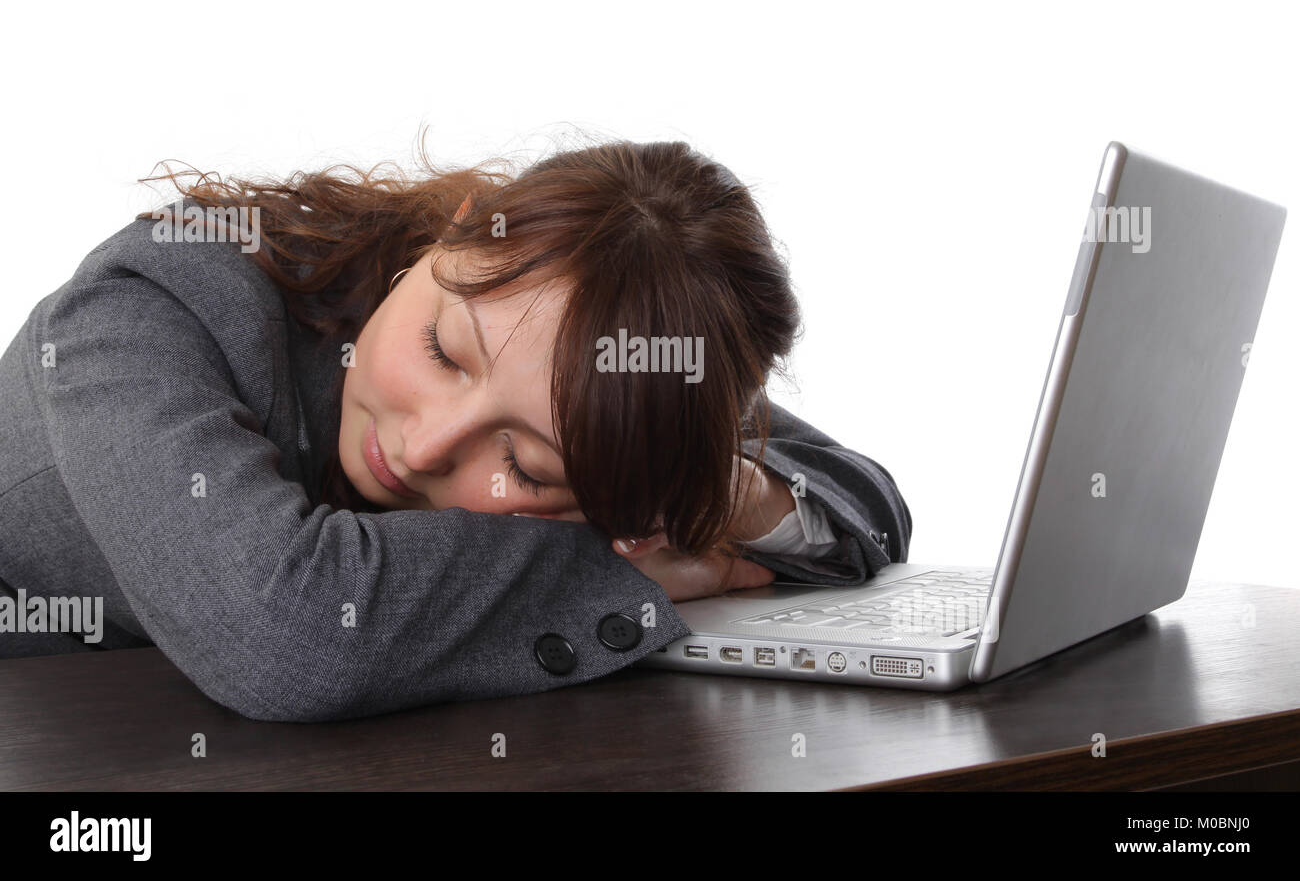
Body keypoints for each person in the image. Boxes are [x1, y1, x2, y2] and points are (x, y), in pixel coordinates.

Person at [0, 136, 912, 721]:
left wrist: (706, 498)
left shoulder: (605, 374)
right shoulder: (155, 299)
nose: (428, 445)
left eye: (522, 459)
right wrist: (647, 566)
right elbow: (286, 634)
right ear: (461, 233)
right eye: (443, 350)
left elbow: (862, 507)